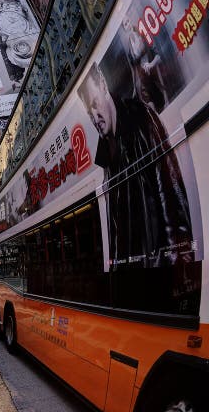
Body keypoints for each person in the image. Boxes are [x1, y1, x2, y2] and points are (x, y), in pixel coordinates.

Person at [77, 63, 193, 268]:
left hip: (158, 274)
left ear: (104, 85)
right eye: (89, 112)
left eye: (95, 104)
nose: (95, 118)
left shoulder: (140, 119)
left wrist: (181, 271)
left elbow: (172, 201)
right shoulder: (105, 154)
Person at [121, 17, 169, 112]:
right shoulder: (129, 46)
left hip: (153, 77)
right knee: (152, 109)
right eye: (125, 24)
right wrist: (135, 87)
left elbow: (158, 54)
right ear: (124, 29)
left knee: (162, 103)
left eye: (128, 21)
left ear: (131, 21)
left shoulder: (142, 33)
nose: (128, 25)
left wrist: (151, 64)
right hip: (143, 82)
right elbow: (133, 68)